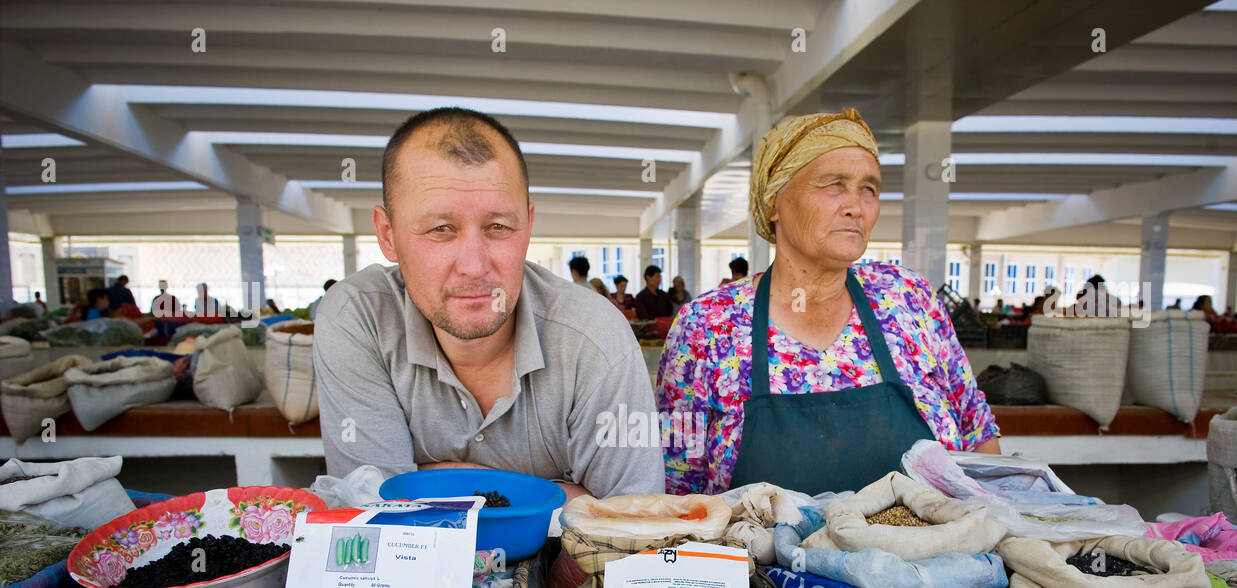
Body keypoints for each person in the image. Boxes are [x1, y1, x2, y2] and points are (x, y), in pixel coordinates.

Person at [313, 106, 664, 498]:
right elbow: (374, 518)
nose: (474, 267)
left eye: (498, 227)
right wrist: (558, 494)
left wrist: (430, 480)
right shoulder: (357, 319)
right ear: (387, 234)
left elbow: (630, 530)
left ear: (528, 227)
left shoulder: (596, 338)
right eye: (440, 229)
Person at [656, 106, 1000, 496]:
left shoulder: (909, 301)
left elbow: (978, 435)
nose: (855, 205)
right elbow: (678, 487)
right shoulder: (708, 326)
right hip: (761, 556)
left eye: (868, 188)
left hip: (938, 555)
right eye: (834, 184)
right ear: (773, 203)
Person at [634, 265, 674, 329]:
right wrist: (658, 320)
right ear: (648, 277)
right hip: (648, 332)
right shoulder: (640, 297)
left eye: (660, 277)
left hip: (665, 329)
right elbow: (643, 316)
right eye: (657, 277)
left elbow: (670, 312)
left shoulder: (664, 295)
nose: (660, 279)